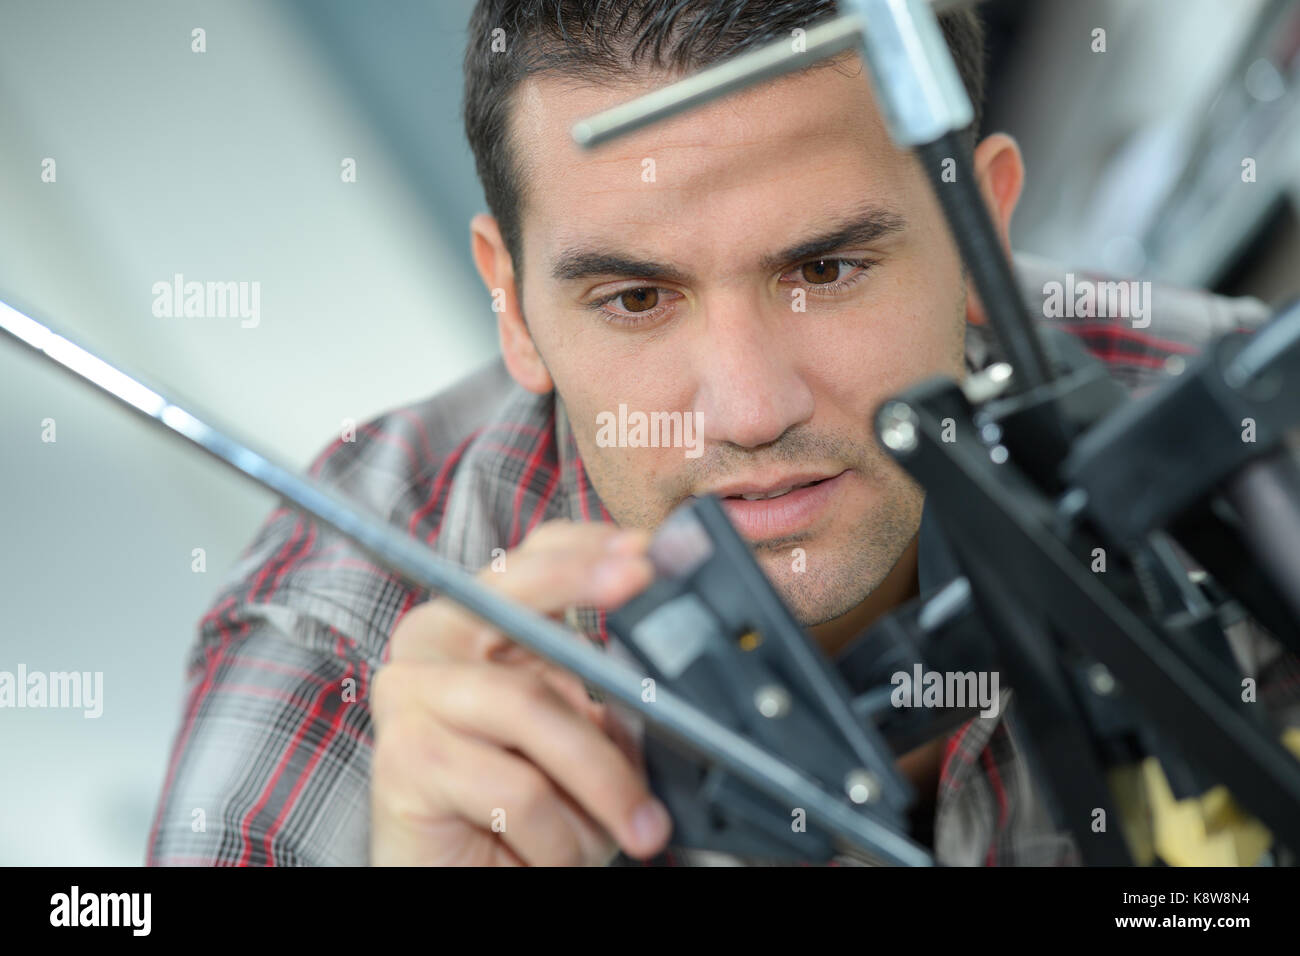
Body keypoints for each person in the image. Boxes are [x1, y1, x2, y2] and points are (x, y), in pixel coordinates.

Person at [146, 0, 1290, 866]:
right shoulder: (349, 629)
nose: (748, 409)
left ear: (977, 221)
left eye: (828, 268)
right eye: (636, 298)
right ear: (512, 303)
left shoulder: (1238, 425)